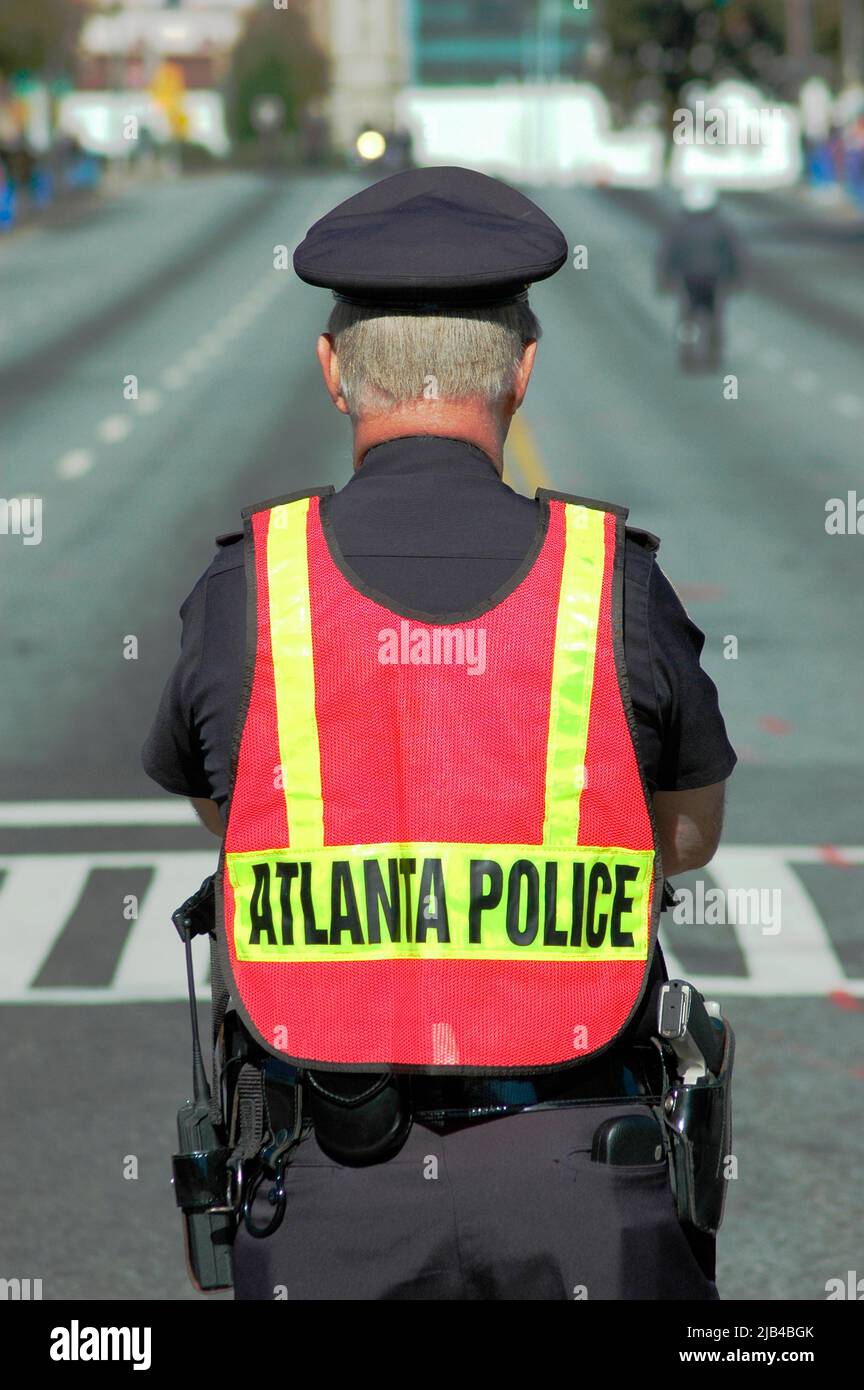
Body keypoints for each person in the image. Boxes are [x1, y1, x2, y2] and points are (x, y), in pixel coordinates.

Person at [143, 166, 737, 1301]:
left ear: (332, 374)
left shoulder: (245, 591)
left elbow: (232, 811)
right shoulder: (611, 582)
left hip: (324, 1187)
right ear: (523, 368)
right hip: (580, 1181)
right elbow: (692, 831)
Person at [657, 184, 744, 366]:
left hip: (689, 278)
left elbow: (667, 254)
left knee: (688, 316)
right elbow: (734, 254)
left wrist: (664, 279)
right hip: (712, 278)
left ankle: (687, 350)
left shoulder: (679, 227)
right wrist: (735, 278)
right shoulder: (721, 226)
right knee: (713, 315)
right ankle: (713, 352)